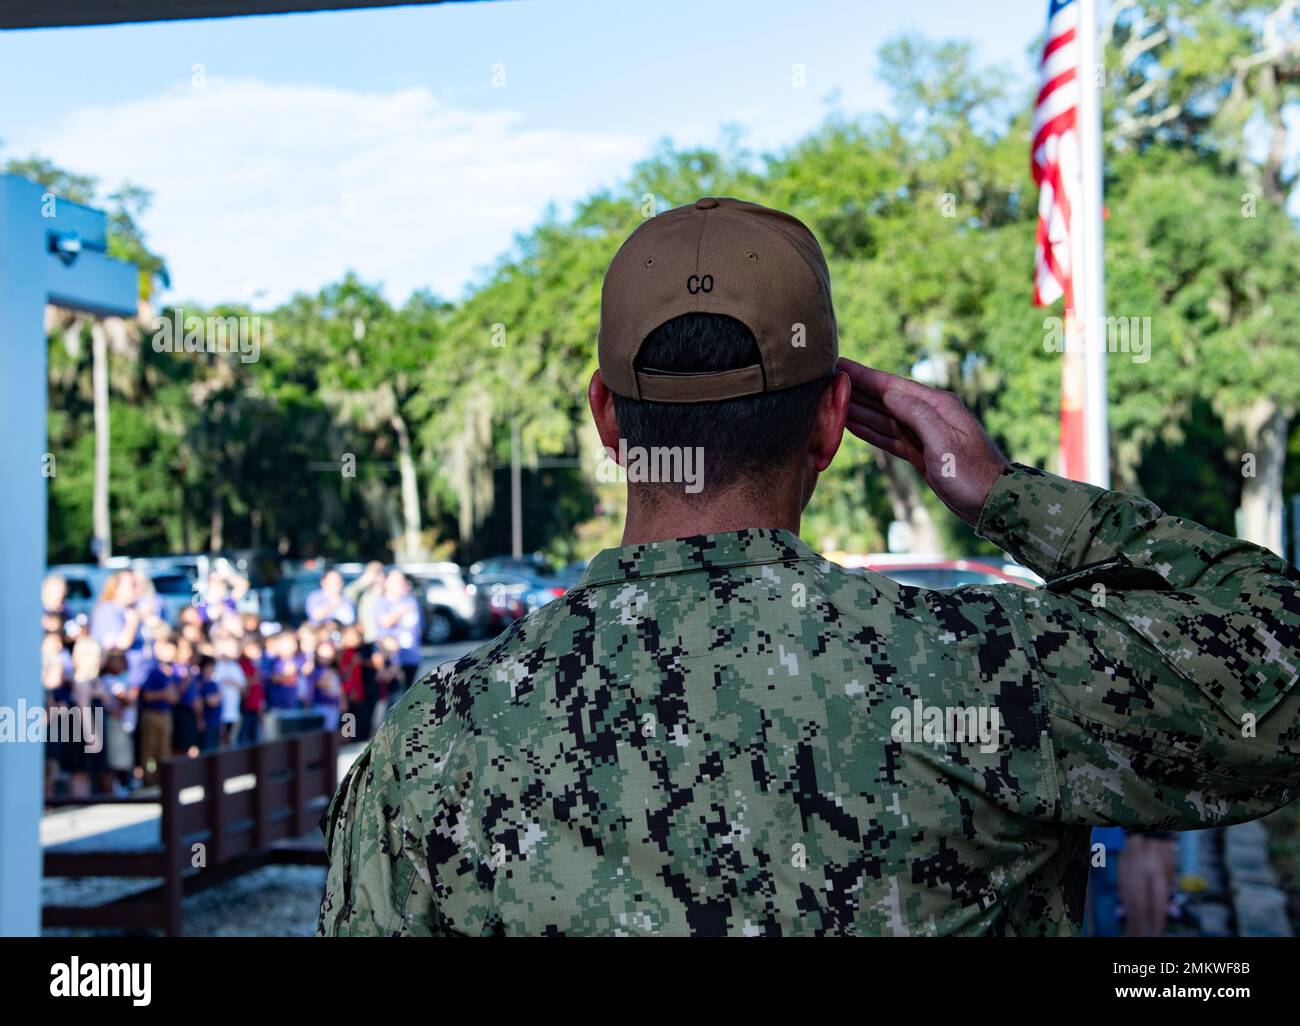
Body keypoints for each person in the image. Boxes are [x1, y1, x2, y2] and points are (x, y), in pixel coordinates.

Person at [320, 197, 1300, 937]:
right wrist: (1002, 492)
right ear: (833, 418)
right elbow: (1274, 656)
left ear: (608, 419)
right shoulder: (987, 679)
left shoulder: (428, 749)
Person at [371, 570, 422, 701]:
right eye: (395, 581)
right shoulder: (381, 602)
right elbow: (385, 622)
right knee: (392, 699)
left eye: (401, 581)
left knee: (410, 697)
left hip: (411, 656)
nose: (399, 584)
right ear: (386, 583)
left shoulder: (411, 601)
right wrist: (402, 611)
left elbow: (419, 627)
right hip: (392, 659)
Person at [137, 638, 179, 785]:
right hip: (152, 714)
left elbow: (174, 697)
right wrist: (163, 694)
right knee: (150, 749)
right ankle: (149, 779)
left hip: (166, 715)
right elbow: (146, 695)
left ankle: (163, 779)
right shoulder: (153, 672)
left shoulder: (172, 674)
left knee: (164, 749)